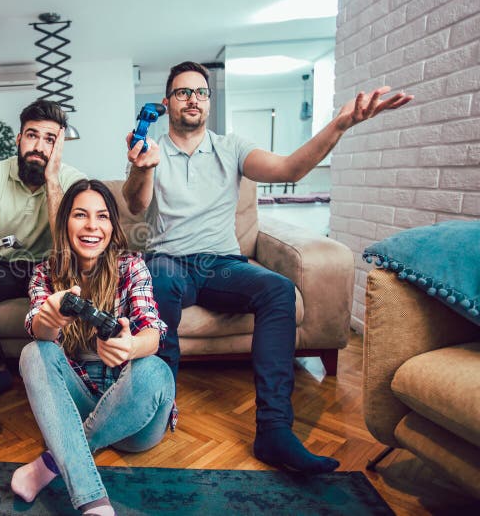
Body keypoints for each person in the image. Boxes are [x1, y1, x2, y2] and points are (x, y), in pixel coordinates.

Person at [122, 61, 413, 474]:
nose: (193, 99)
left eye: (201, 92)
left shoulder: (233, 148)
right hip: (169, 260)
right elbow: (135, 204)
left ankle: (274, 432)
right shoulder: (149, 149)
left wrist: (340, 125)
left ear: (209, 102)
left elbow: (290, 169)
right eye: (183, 92)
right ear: (167, 102)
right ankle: (156, 405)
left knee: (277, 289)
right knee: (160, 280)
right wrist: (142, 167)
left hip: (221, 263)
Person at [11, 179, 175, 515]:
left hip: (134, 418)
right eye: (80, 215)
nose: (91, 226)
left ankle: (49, 465)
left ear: (113, 226)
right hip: (76, 404)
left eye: (102, 217)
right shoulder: (46, 272)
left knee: (155, 370)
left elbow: (154, 332)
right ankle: (93, 503)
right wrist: (51, 318)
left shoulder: (130, 266)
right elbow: (37, 329)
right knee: (33, 351)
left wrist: (130, 346)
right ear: (64, 223)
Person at [0, 99, 85, 391]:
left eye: (50, 139)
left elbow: (69, 242)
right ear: (19, 138)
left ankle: (61, 371)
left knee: (79, 279)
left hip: (53, 268)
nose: (38, 146)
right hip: (4, 267)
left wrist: (51, 180)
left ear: (60, 146)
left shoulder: (73, 182)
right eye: (32, 135)